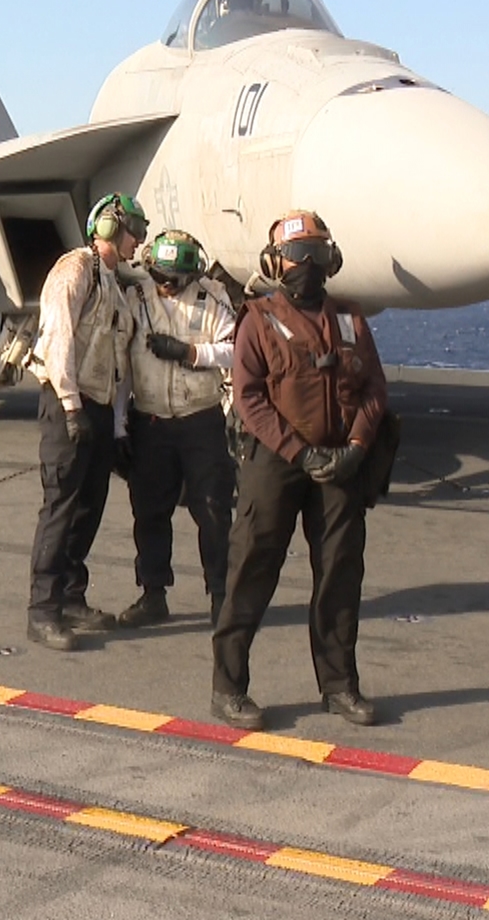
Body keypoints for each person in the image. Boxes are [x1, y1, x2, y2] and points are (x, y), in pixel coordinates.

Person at [211, 210, 388, 729]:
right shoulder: (257, 320)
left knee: (339, 573)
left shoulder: (353, 320)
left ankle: (339, 686)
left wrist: (356, 445)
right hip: (277, 461)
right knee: (251, 570)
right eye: (297, 255)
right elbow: (248, 398)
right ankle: (229, 688)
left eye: (315, 254)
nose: (306, 264)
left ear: (331, 260)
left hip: (342, 462)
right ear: (275, 262)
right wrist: (298, 452)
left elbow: (375, 390)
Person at [24, 192, 146, 651]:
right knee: (60, 508)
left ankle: (72, 597)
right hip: (65, 402)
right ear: (112, 228)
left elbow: (116, 361)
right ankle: (41, 611)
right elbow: (59, 340)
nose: (139, 240)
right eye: (134, 228)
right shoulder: (75, 269)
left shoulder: (115, 283)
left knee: (89, 507)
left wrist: (115, 426)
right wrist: (72, 409)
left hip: (95, 406)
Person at [118, 229, 238, 630]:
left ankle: (221, 596)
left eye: (176, 279)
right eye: (161, 277)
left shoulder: (214, 296)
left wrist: (191, 353)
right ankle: (153, 593)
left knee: (214, 512)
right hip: (150, 421)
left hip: (200, 420)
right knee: (149, 512)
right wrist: (120, 426)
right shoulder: (135, 300)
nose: (167, 286)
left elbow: (236, 350)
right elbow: (122, 367)